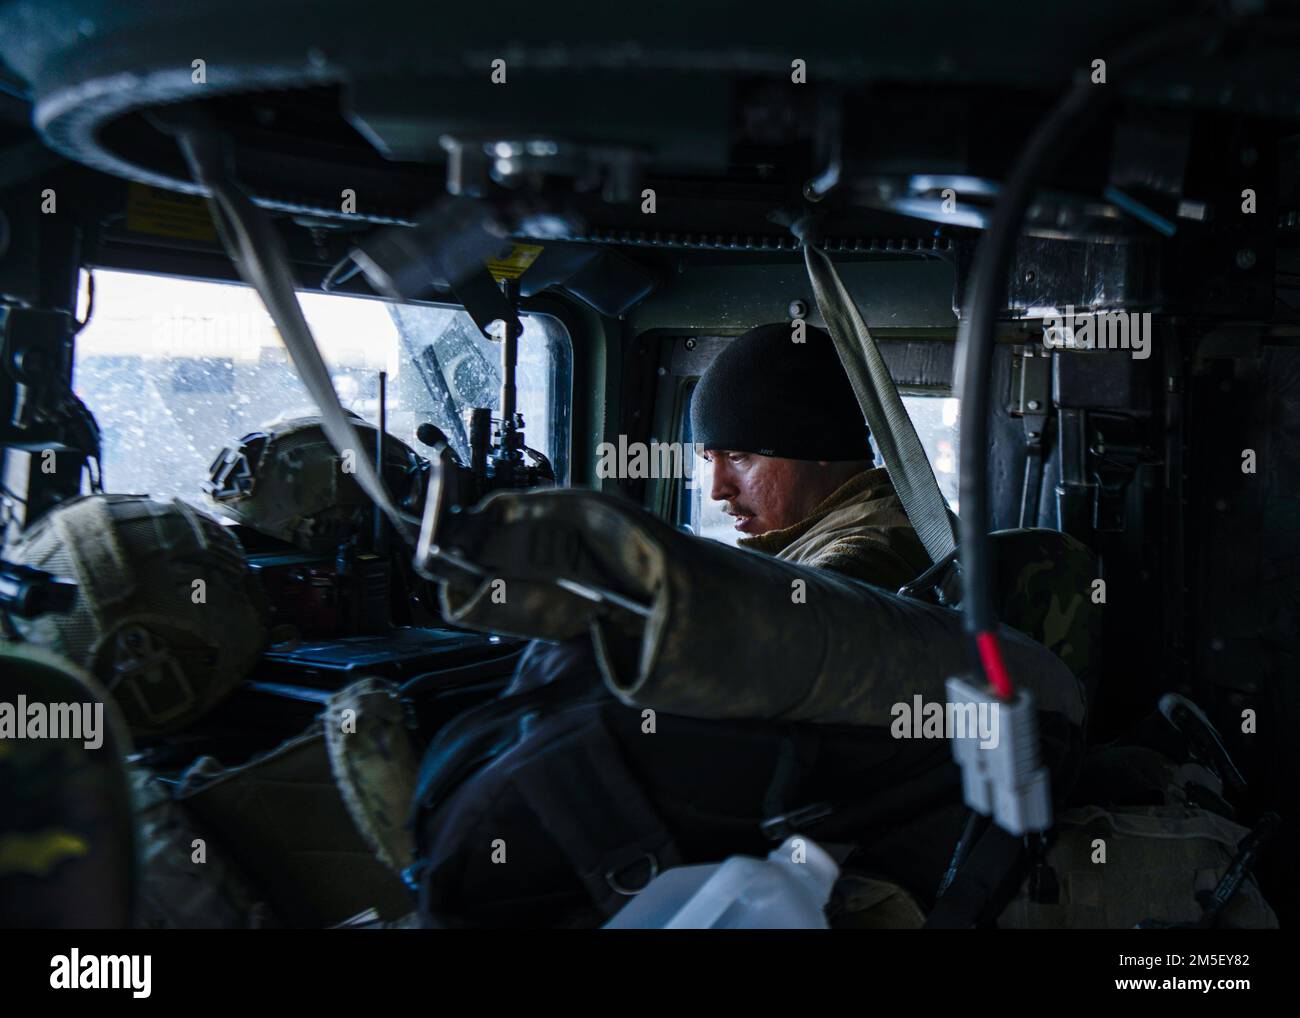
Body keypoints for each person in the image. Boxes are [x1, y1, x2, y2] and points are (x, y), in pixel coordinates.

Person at [691, 322, 930, 589]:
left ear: (819, 441)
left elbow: (829, 593)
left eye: (737, 457)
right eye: (710, 460)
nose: (717, 490)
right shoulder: (828, 534)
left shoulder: (864, 557)